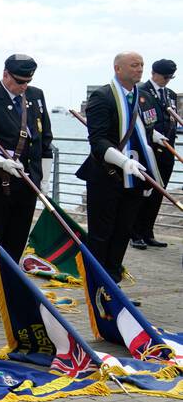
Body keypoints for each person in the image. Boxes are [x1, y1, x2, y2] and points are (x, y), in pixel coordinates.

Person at [0, 54, 53, 317]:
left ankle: (9, 290)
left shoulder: (35, 96)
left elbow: (44, 140)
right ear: (5, 74)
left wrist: (44, 180)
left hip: (27, 182)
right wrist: (2, 162)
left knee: (16, 240)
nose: (23, 86)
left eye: (27, 82)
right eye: (19, 81)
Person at [76, 51, 159, 284]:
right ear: (118, 68)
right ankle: (96, 285)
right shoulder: (102, 96)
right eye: (134, 65)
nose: (139, 69)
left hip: (135, 177)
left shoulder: (144, 97)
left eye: (141, 64)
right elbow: (98, 140)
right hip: (107, 175)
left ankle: (113, 284)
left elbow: (147, 133)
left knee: (123, 232)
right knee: (101, 235)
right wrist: (123, 161)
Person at [130, 58, 177, 250]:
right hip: (148, 151)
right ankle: (135, 234)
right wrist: (153, 134)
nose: (167, 80)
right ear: (154, 74)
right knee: (142, 193)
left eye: (170, 77)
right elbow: (136, 120)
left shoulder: (170, 94)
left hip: (167, 152)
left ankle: (148, 232)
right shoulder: (141, 91)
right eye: (165, 77)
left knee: (158, 193)